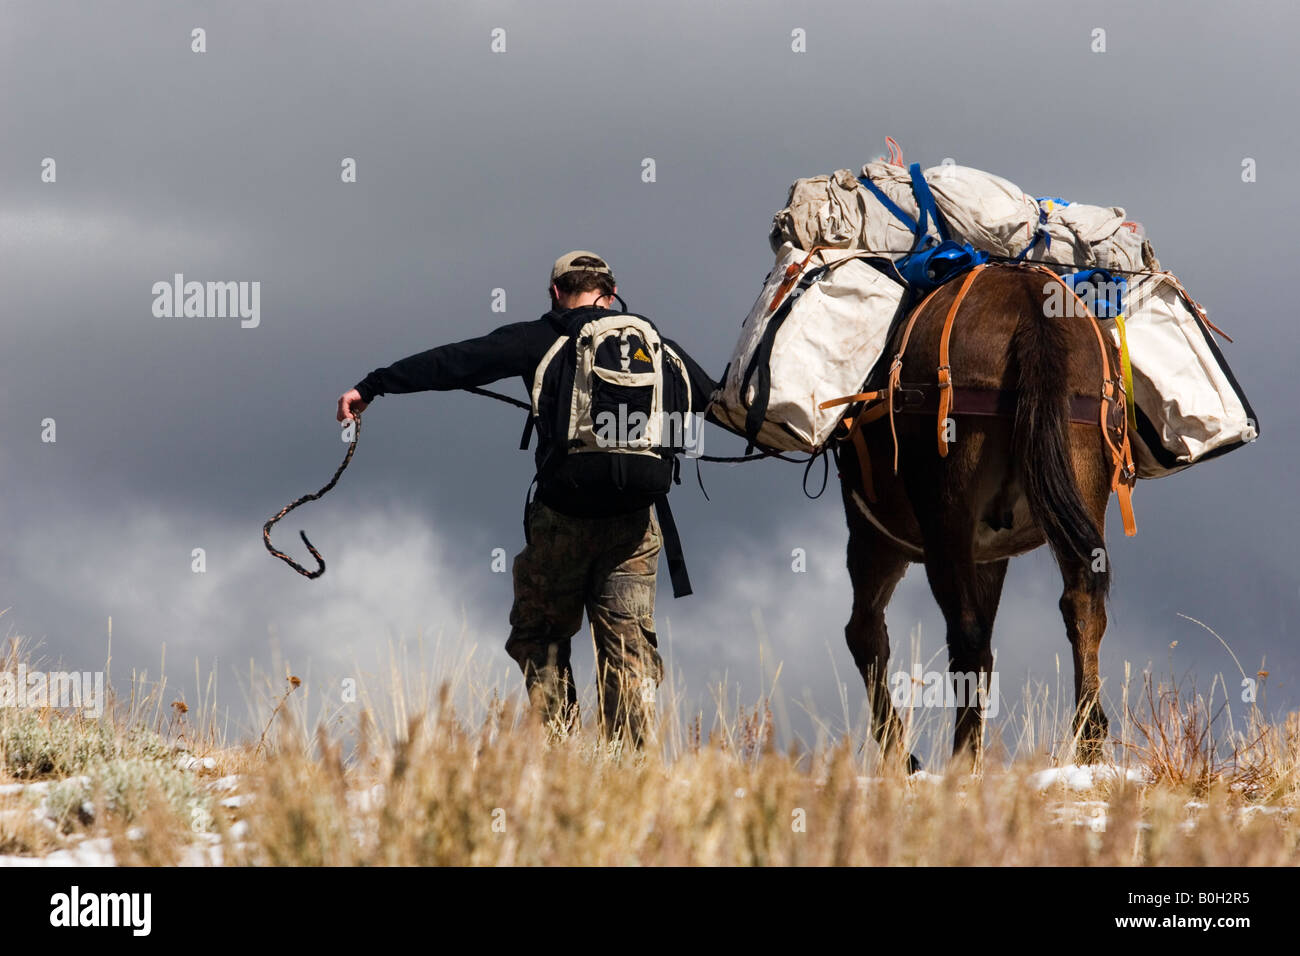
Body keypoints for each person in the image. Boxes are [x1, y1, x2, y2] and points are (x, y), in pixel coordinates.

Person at [337, 251, 718, 746]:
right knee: (629, 652)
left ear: (555, 293)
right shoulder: (655, 345)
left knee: (540, 636)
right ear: (612, 291)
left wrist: (375, 385)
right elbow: (718, 400)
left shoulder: (541, 337)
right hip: (635, 523)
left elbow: (456, 361)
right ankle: (630, 774)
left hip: (563, 518)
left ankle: (560, 751)